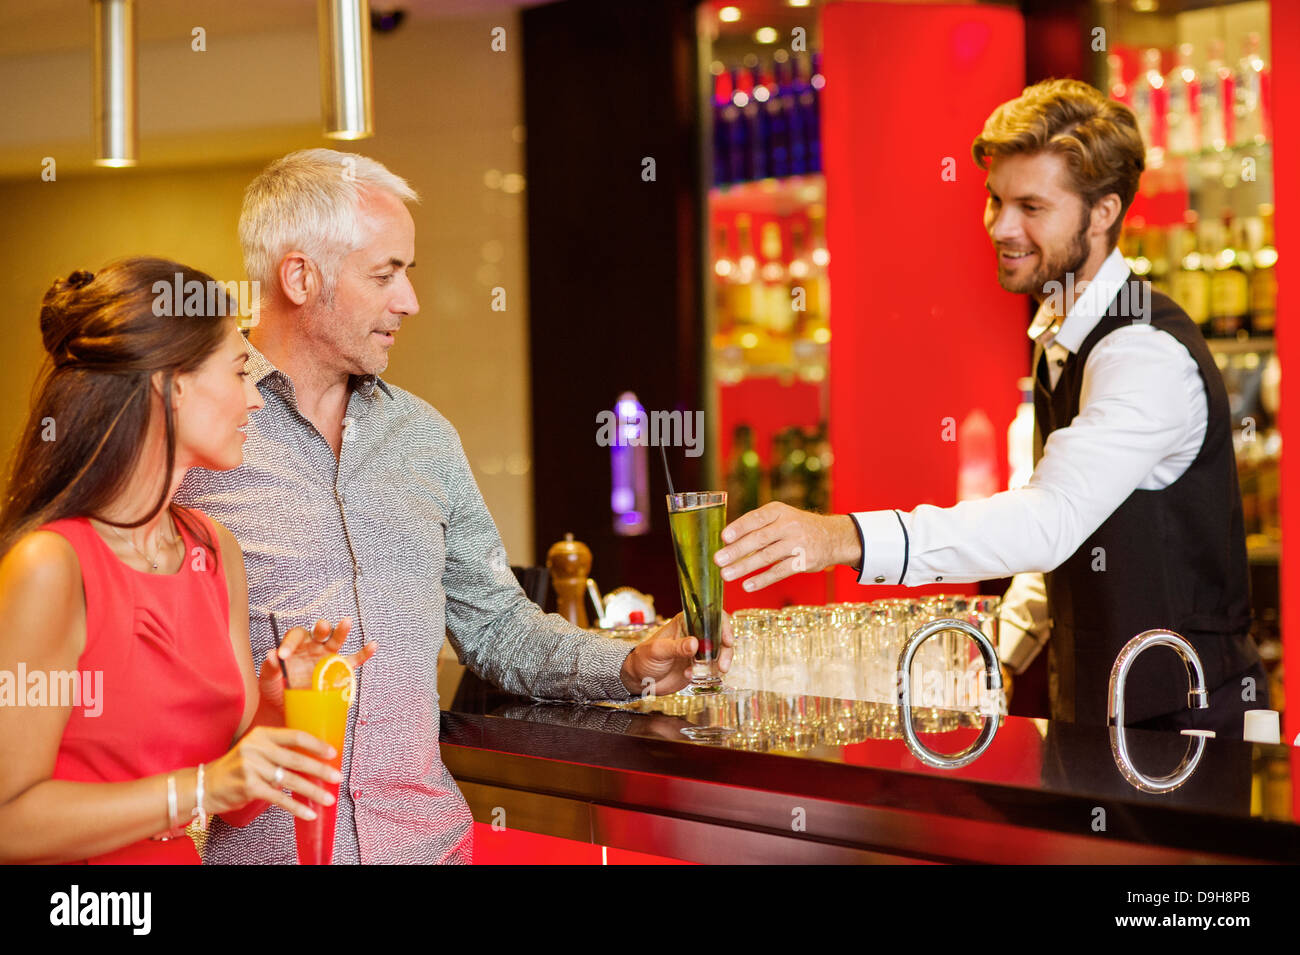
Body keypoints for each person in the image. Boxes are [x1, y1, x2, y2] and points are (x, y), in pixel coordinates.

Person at [175, 149, 729, 864]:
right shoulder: (195, 430)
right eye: (385, 275)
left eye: (408, 273)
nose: (409, 300)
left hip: (429, 847)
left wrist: (627, 666)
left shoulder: (426, 438)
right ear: (300, 276)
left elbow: (497, 625)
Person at [714, 79, 1263, 736]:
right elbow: (1053, 554)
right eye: (995, 200)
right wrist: (989, 660)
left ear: (1102, 212)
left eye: (1031, 206)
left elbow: (1048, 522)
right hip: (1100, 724)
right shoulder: (1061, 339)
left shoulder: (1141, 353)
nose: (1002, 228)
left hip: (1187, 733)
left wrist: (841, 536)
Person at [0, 258, 373, 864]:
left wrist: (278, 706)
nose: (256, 400)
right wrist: (202, 787)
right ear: (170, 385)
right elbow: (7, 823)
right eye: (239, 372)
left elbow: (236, 803)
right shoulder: (52, 565)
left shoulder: (214, 549)